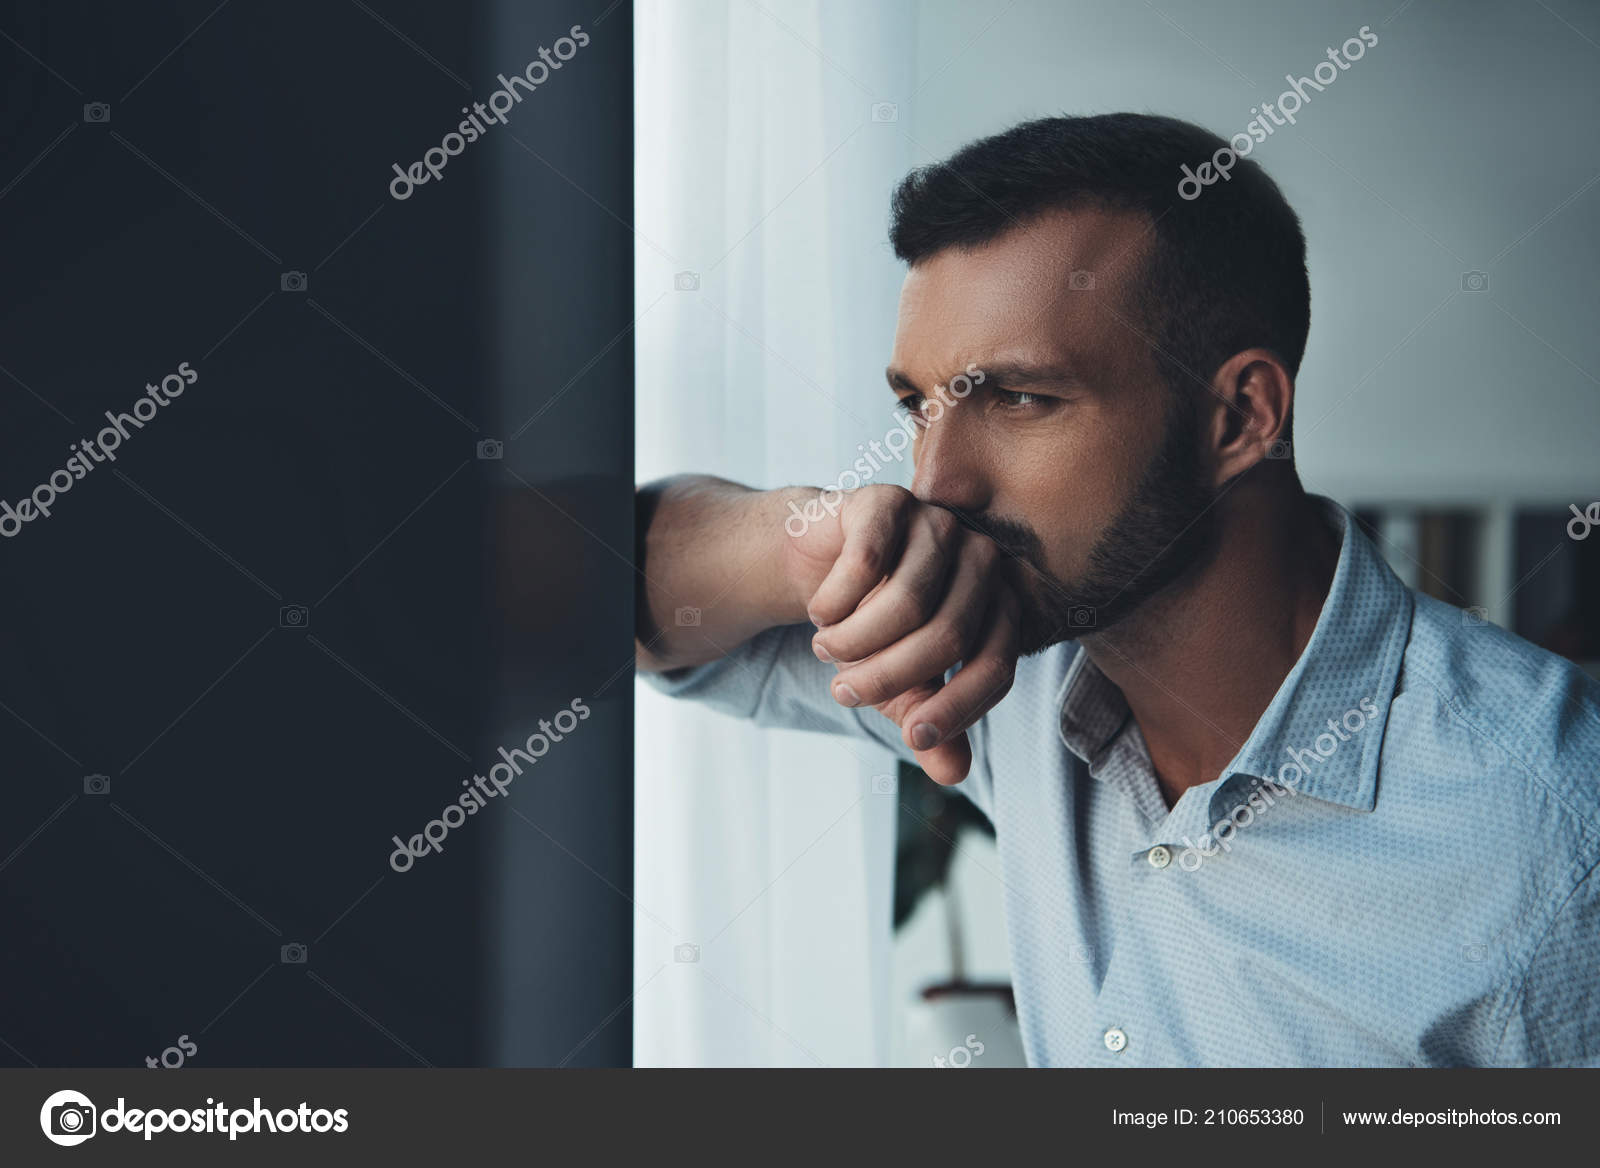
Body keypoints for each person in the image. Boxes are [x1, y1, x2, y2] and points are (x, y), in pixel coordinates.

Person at [634, 114, 1600, 1067]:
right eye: (917, 408)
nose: (938, 484)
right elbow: (569, 591)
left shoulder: (1556, 828)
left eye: (1019, 398)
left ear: (1240, 415)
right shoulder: (985, 647)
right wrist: (801, 541)